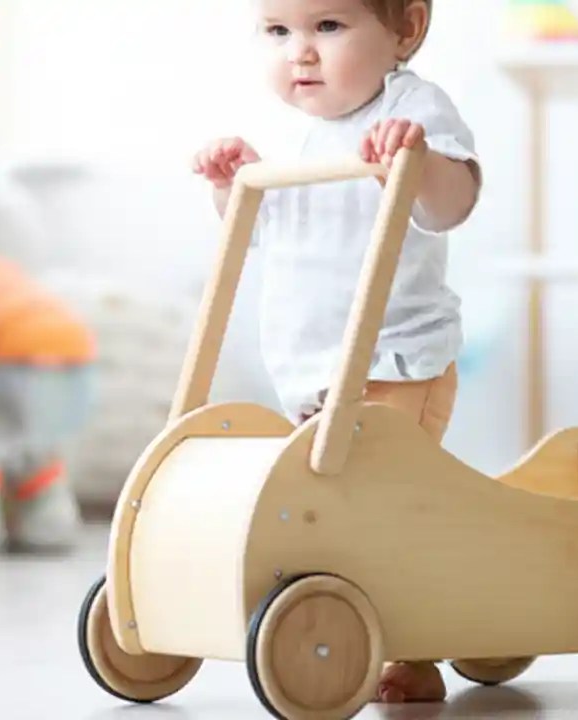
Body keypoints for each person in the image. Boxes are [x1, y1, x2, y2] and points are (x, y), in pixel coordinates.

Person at [192, 0, 482, 704]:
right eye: (278, 31)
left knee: (382, 509)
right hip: (316, 374)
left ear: (405, 30)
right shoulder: (295, 140)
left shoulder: (413, 108)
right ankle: (325, 609)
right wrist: (233, 187)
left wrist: (412, 166)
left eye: (328, 26)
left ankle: (415, 644)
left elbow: (452, 205)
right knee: (330, 510)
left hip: (394, 363)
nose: (301, 52)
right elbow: (260, 234)